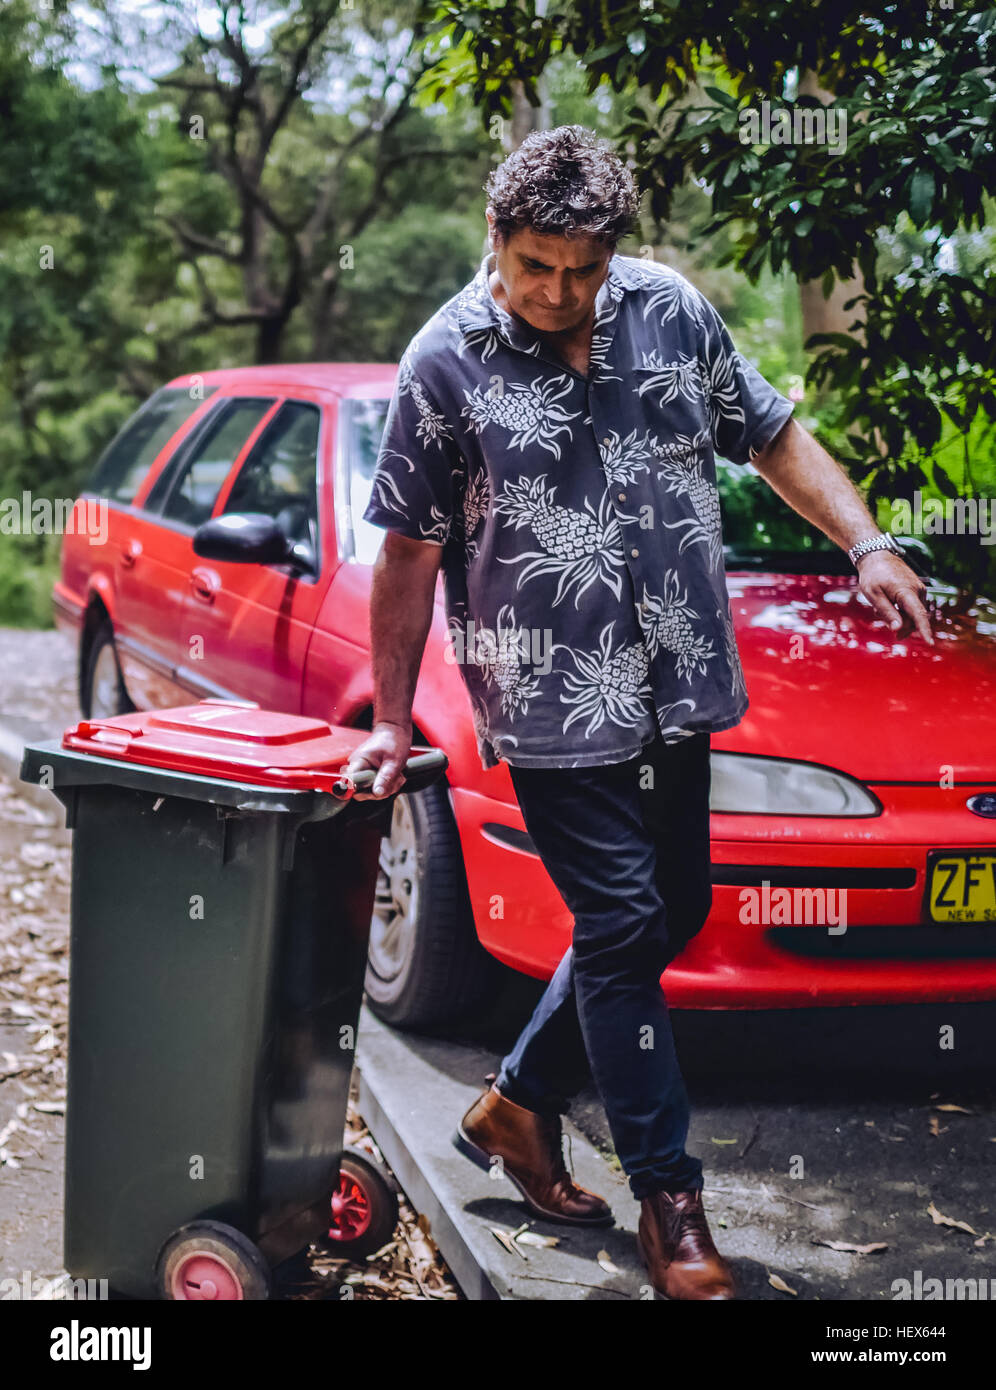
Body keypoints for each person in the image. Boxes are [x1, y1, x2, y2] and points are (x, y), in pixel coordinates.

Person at [343, 125, 934, 1300]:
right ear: (496, 240)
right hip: (551, 694)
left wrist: (861, 539)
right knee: (621, 925)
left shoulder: (671, 311)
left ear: (617, 252)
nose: (559, 292)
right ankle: (672, 1196)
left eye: (583, 268)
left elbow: (772, 435)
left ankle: (515, 1103)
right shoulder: (443, 361)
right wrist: (391, 720)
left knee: (673, 909)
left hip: (680, 679)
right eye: (536, 267)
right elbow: (407, 552)